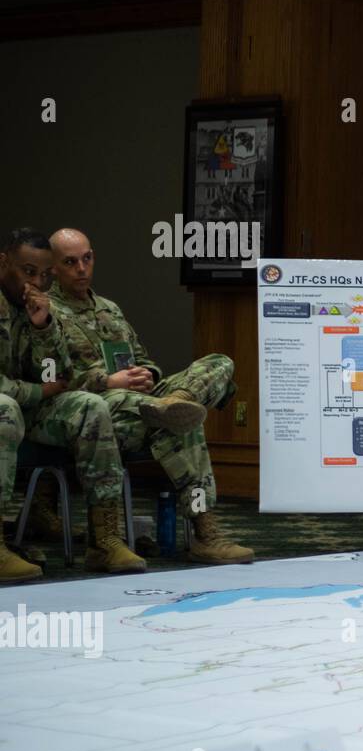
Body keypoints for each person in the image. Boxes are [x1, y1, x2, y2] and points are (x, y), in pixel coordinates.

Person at [43, 228, 253, 565]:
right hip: (97, 410)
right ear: (52, 268)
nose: (81, 268)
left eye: (87, 258)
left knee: (219, 362)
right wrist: (108, 379)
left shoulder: (109, 309)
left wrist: (149, 374)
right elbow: (48, 378)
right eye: (70, 262)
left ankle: (174, 401)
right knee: (184, 425)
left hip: (141, 402)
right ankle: (204, 529)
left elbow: (142, 358)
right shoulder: (45, 313)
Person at [0, 227, 145, 578]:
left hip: (35, 411)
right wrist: (36, 392)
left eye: (45, 275)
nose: (35, 282)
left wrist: (43, 327)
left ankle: (105, 541)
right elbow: (41, 388)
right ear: (4, 263)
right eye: (28, 271)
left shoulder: (43, 308)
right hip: (13, 407)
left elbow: (56, 375)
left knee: (90, 407)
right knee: (4, 408)